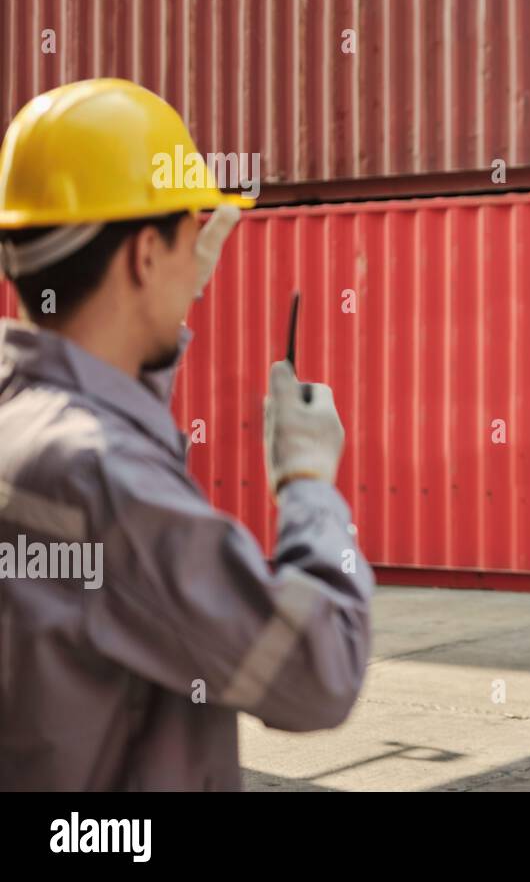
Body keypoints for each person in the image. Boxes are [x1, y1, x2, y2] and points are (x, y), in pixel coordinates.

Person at [0, 78, 372, 791]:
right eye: (184, 234)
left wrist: (156, 325)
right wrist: (308, 487)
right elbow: (319, 668)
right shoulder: (105, 481)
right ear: (144, 252)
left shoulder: (31, 425)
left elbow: (84, 414)